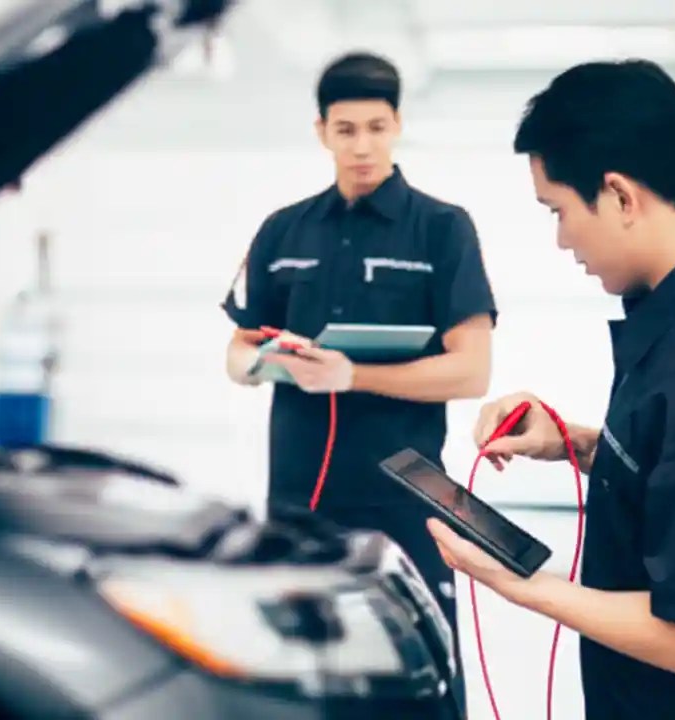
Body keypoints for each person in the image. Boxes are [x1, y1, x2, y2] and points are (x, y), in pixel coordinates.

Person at [427, 58, 675, 720]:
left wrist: (522, 584)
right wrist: (578, 444)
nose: (560, 240)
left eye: (558, 211)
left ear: (618, 194)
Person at [220, 51, 496, 710]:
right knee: (301, 684)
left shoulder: (442, 229)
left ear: (397, 123)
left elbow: (471, 368)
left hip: (403, 496)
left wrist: (353, 374)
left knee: (418, 685)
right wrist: (270, 365)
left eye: (377, 127)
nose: (363, 145)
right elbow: (236, 354)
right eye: (347, 130)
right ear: (322, 132)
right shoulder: (281, 231)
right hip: (297, 503)